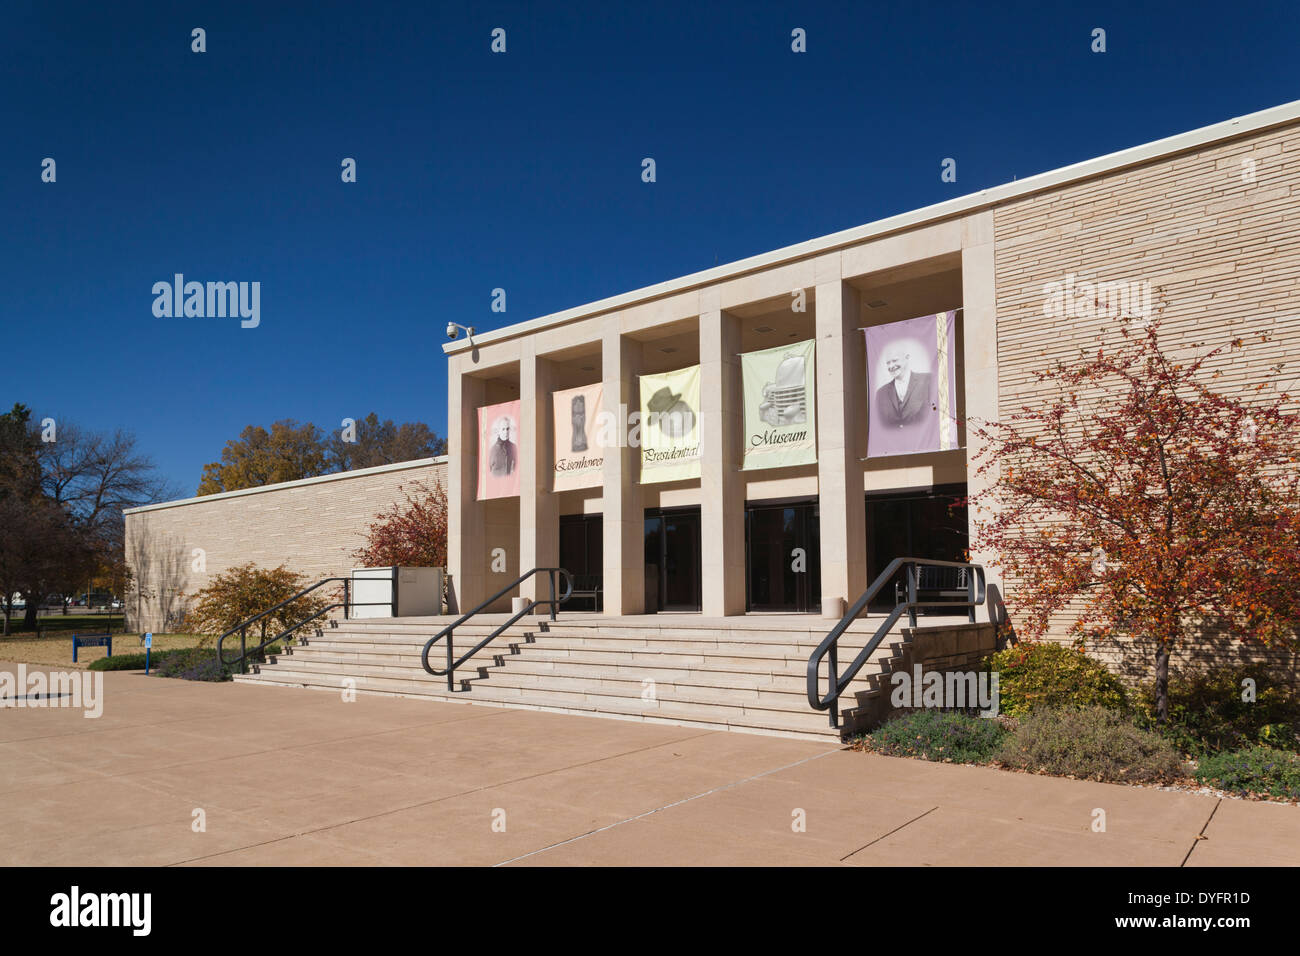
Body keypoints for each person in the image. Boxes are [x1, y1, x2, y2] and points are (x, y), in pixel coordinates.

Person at [874, 347, 933, 427]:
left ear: (907, 358)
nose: (891, 366)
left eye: (895, 360)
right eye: (888, 363)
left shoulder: (928, 381)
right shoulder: (881, 393)